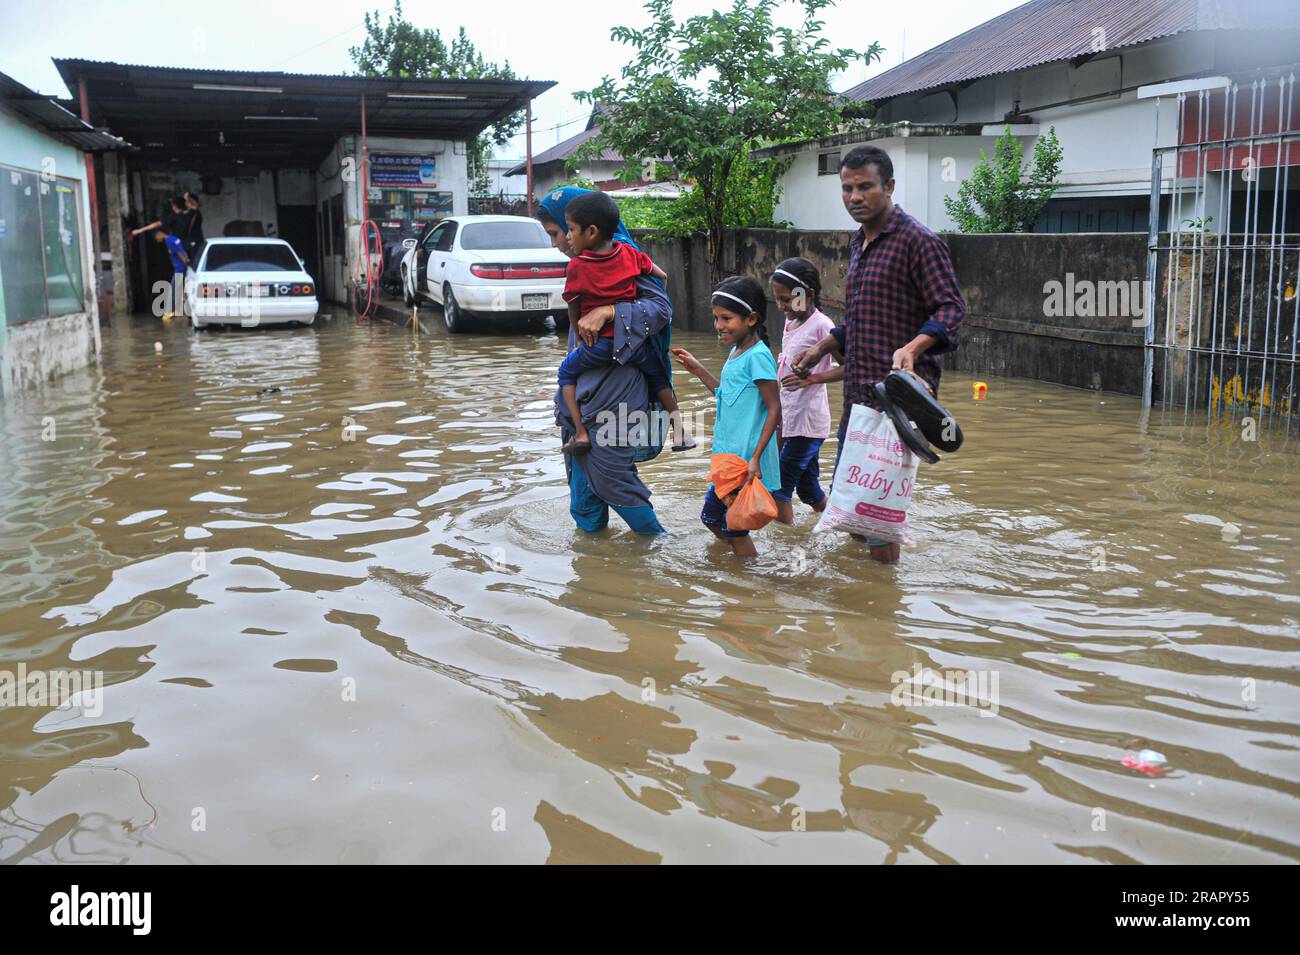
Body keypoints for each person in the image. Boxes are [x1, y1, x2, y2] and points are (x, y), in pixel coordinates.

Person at [790, 144, 966, 564]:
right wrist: (822, 347)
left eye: (864, 187)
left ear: (888, 186)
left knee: (877, 518)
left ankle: (880, 606)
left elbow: (952, 309)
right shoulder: (859, 243)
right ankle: (859, 594)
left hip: (898, 404)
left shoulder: (918, 241)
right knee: (852, 506)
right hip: (858, 398)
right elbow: (865, 318)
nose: (854, 197)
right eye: (847, 188)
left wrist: (913, 346)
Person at [539, 186, 674, 536]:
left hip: (618, 388)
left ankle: (661, 549)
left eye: (558, 233)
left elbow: (661, 309)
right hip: (583, 390)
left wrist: (609, 310)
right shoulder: (582, 267)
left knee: (613, 478)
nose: (557, 242)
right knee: (582, 496)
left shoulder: (625, 259)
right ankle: (594, 572)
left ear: (590, 230)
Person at [556, 191, 693, 455]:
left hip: (599, 346)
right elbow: (661, 277)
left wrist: (578, 339)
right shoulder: (629, 253)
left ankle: (581, 433)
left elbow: (573, 305)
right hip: (632, 345)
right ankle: (680, 431)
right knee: (659, 378)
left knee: (566, 375)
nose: (568, 237)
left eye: (570, 230)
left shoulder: (577, 267)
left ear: (592, 232)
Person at [671, 276, 781, 558]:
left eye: (727, 318)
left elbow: (775, 407)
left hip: (743, 458)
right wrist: (698, 370)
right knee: (716, 520)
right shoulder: (736, 352)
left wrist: (755, 458)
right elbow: (726, 396)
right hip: (728, 456)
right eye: (716, 318)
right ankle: (739, 564)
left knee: (731, 525)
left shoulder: (757, 356)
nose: (719, 326)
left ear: (751, 318)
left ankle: (747, 579)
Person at [771, 258, 841, 525]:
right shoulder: (791, 324)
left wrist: (813, 379)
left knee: (779, 488)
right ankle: (835, 524)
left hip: (808, 425)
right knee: (809, 490)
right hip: (790, 420)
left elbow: (852, 366)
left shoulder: (823, 326)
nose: (781, 306)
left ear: (808, 294)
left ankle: (785, 550)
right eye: (778, 299)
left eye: (787, 299)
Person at [153, 226, 189, 319]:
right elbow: (182, 250)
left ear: (160, 234)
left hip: (180, 268)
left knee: (174, 290)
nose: (156, 239)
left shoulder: (169, 241)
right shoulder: (173, 238)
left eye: (156, 237)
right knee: (181, 289)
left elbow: (178, 253)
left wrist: (185, 262)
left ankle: (170, 311)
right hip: (181, 267)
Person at [182, 191, 205, 265]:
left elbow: (195, 206)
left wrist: (188, 197)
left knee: (193, 263)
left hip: (193, 242)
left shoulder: (195, 213)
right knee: (180, 264)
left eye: (187, 201)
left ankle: (184, 276)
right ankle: (179, 277)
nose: (185, 203)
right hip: (186, 242)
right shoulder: (186, 213)